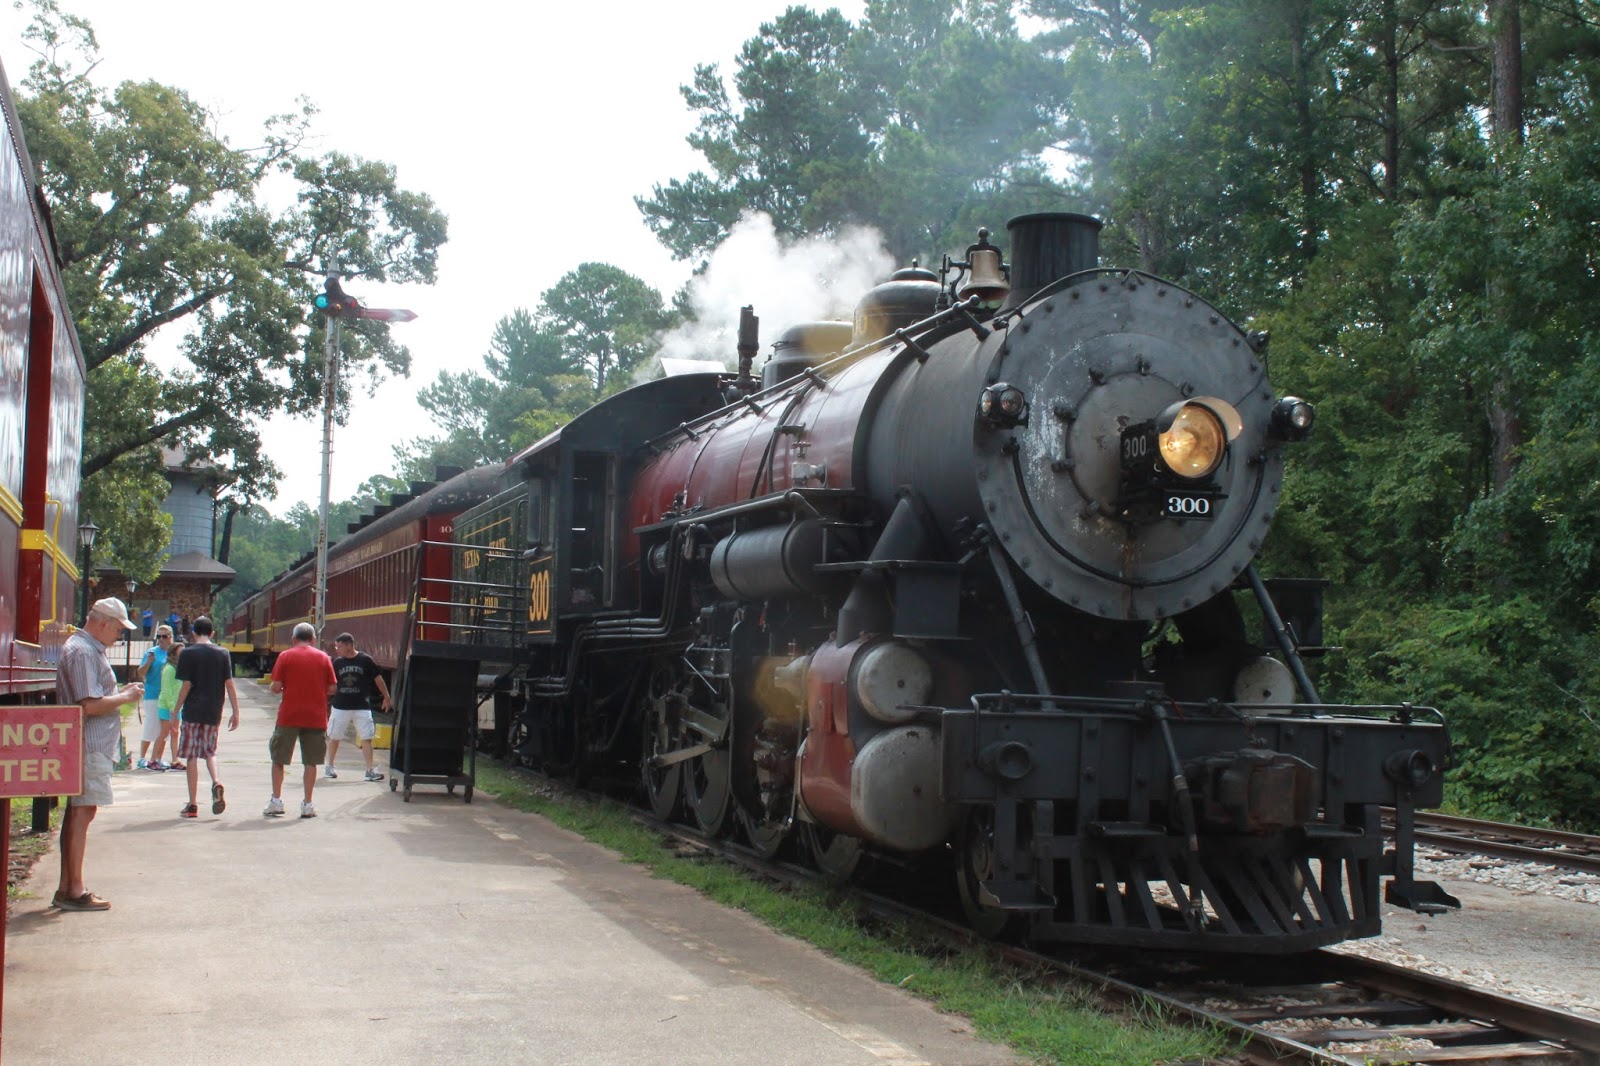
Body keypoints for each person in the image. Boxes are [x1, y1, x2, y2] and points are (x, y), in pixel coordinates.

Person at [54, 597, 144, 911]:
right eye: (118, 629)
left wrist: (119, 694)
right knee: (82, 812)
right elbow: (88, 704)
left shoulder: (85, 649)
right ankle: (74, 889)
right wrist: (125, 697)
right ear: (104, 623)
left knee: (80, 811)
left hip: (88, 744)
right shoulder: (83, 651)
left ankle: (68, 886)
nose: (119, 635)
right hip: (88, 743)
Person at [173, 617, 240, 819]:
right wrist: (236, 711)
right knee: (210, 750)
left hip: (193, 711)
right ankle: (216, 781)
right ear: (212, 633)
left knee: (192, 755)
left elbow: (186, 685)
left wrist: (175, 710)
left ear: (193, 633)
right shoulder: (223, 653)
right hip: (213, 710)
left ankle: (192, 804)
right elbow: (229, 684)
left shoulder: (188, 653)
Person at [267, 622, 336, 818]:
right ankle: (307, 803)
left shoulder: (285, 656)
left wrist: (281, 687)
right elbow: (332, 688)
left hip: (289, 715)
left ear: (293, 638)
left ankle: (276, 801)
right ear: (313, 639)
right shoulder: (324, 658)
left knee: (278, 759)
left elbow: (276, 687)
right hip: (315, 716)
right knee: (310, 762)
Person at [326, 632, 392, 783]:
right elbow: (331, 683)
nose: (337, 649)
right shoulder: (337, 663)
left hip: (361, 706)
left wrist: (386, 696)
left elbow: (378, 678)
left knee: (366, 737)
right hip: (340, 706)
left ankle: (369, 770)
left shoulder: (365, 660)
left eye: (339, 646)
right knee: (335, 736)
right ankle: (329, 765)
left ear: (349, 645)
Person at [134, 625, 172, 770]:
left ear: (170, 637)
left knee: (164, 728)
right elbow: (140, 673)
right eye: (159, 636)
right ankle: (142, 758)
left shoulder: (173, 653)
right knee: (151, 725)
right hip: (153, 694)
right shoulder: (151, 652)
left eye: (164, 636)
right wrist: (149, 662)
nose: (161, 639)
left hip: (167, 695)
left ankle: (158, 758)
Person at [150, 639, 185, 773]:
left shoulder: (180, 668)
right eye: (180, 652)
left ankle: (175, 760)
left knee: (175, 733)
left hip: (176, 707)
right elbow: (167, 690)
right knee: (164, 732)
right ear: (173, 654)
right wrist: (172, 708)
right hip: (167, 706)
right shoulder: (169, 669)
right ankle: (153, 760)